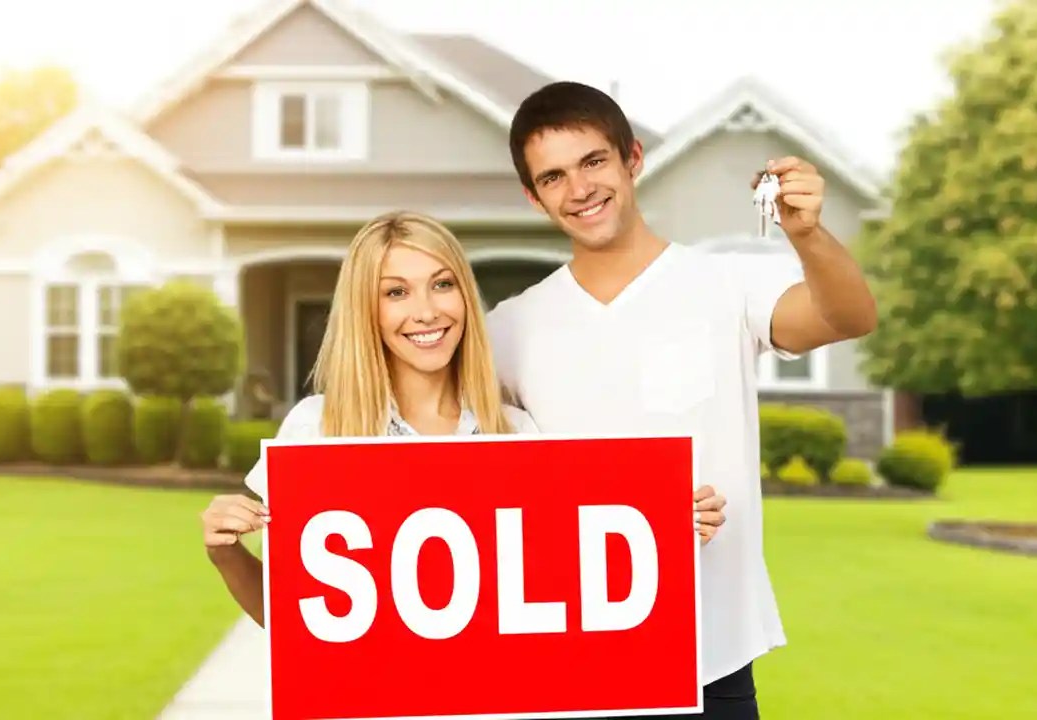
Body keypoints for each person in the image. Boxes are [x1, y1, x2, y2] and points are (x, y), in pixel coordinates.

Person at [485, 81, 878, 719]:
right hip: (568, 657)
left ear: (632, 158)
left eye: (593, 161)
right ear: (534, 197)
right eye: (554, 176)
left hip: (710, 655)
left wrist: (806, 235)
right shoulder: (509, 329)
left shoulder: (727, 284)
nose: (580, 189)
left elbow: (849, 317)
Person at [199, 209, 734, 628]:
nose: (427, 311)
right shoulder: (316, 430)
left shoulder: (517, 434)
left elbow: (558, 601)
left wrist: (664, 537)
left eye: (443, 283)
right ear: (368, 310)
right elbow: (294, 621)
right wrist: (226, 555)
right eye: (396, 292)